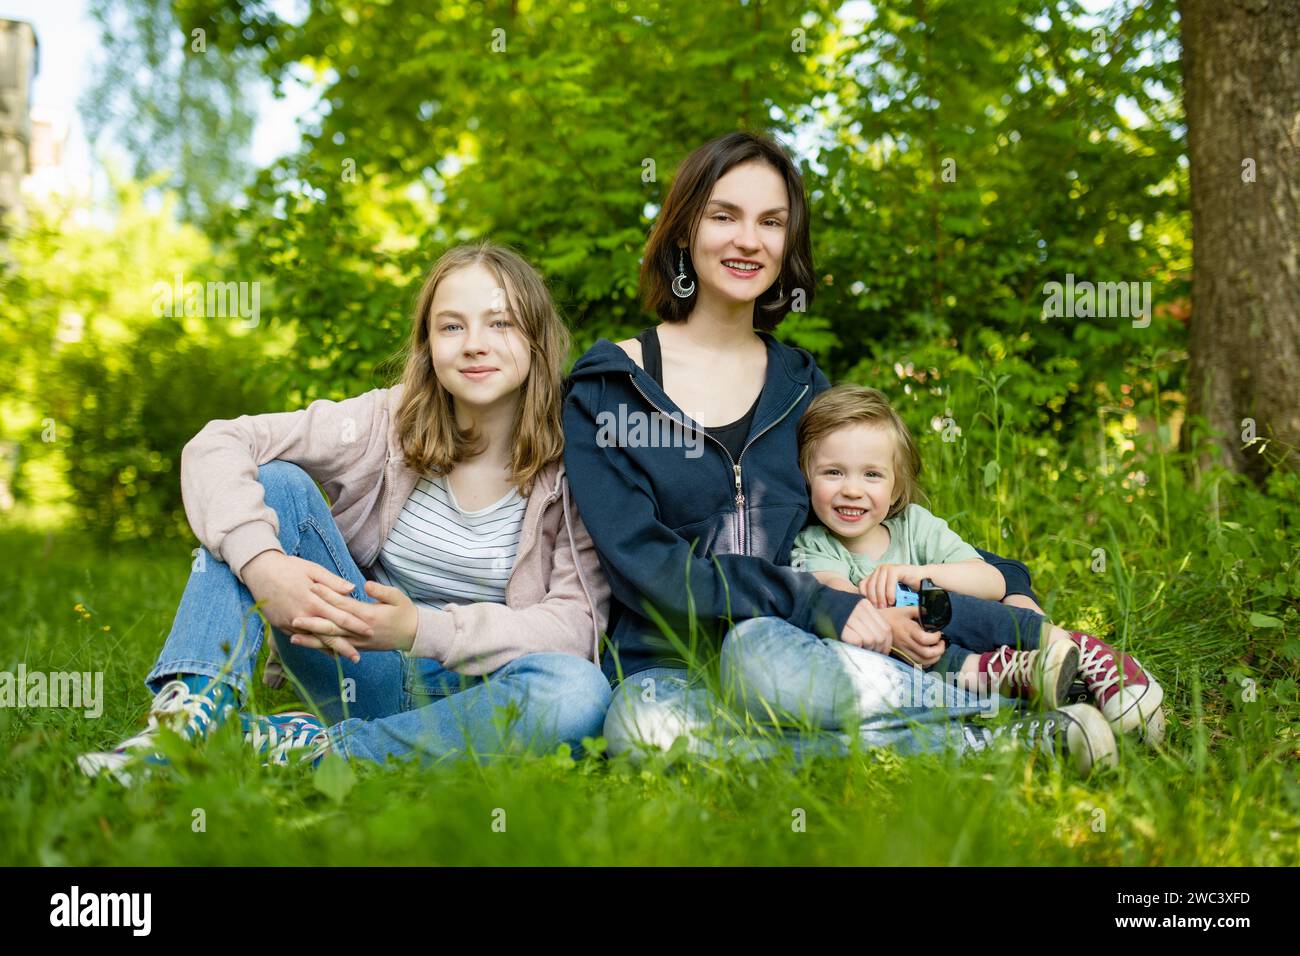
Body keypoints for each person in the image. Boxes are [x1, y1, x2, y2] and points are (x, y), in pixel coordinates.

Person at [562, 131, 1118, 772]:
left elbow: (872, 523)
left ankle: (1001, 696)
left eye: (771, 222)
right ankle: (994, 731)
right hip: (669, 662)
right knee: (644, 733)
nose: (749, 240)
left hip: (791, 646)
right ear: (684, 229)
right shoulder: (611, 389)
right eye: (724, 215)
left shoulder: (800, 386)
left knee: (755, 656)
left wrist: (1006, 589)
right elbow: (648, 567)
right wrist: (818, 601)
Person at [79, 241, 612, 783]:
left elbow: (575, 626)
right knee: (275, 483)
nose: (475, 345)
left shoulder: (576, 462)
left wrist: (417, 629)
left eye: (499, 324)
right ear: (428, 343)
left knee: (577, 694)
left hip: (476, 694)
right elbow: (218, 442)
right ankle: (184, 723)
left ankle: (316, 753)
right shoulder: (386, 422)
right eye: (452, 327)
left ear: (536, 339)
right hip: (356, 663)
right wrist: (265, 565)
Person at [790, 384, 1165, 741]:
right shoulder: (814, 545)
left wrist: (916, 575)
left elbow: (993, 583)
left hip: (978, 630)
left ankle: (1080, 650)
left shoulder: (915, 526)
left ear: (897, 487)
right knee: (889, 639)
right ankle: (1042, 688)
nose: (852, 489)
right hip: (943, 669)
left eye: (871, 474)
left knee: (936, 600)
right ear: (806, 478)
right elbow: (838, 605)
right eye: (833, 472)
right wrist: (889, 621)